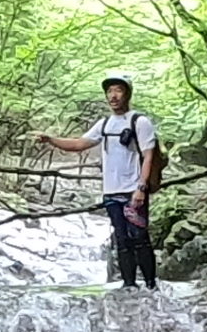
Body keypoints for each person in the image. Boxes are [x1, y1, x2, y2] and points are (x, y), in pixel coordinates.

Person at [37, 77, 161, 288]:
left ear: (127, 94)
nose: (113, 96)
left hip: (133, 191)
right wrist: (50, 139)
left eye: (118, 90)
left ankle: (151, 284)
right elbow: (78, 144)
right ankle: (129, 285)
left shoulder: (139, 122)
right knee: (121, 241)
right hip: (111, 193)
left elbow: (148, 156)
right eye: (109, 91)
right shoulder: (104, 124)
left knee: (140, 238)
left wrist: (141, 187)